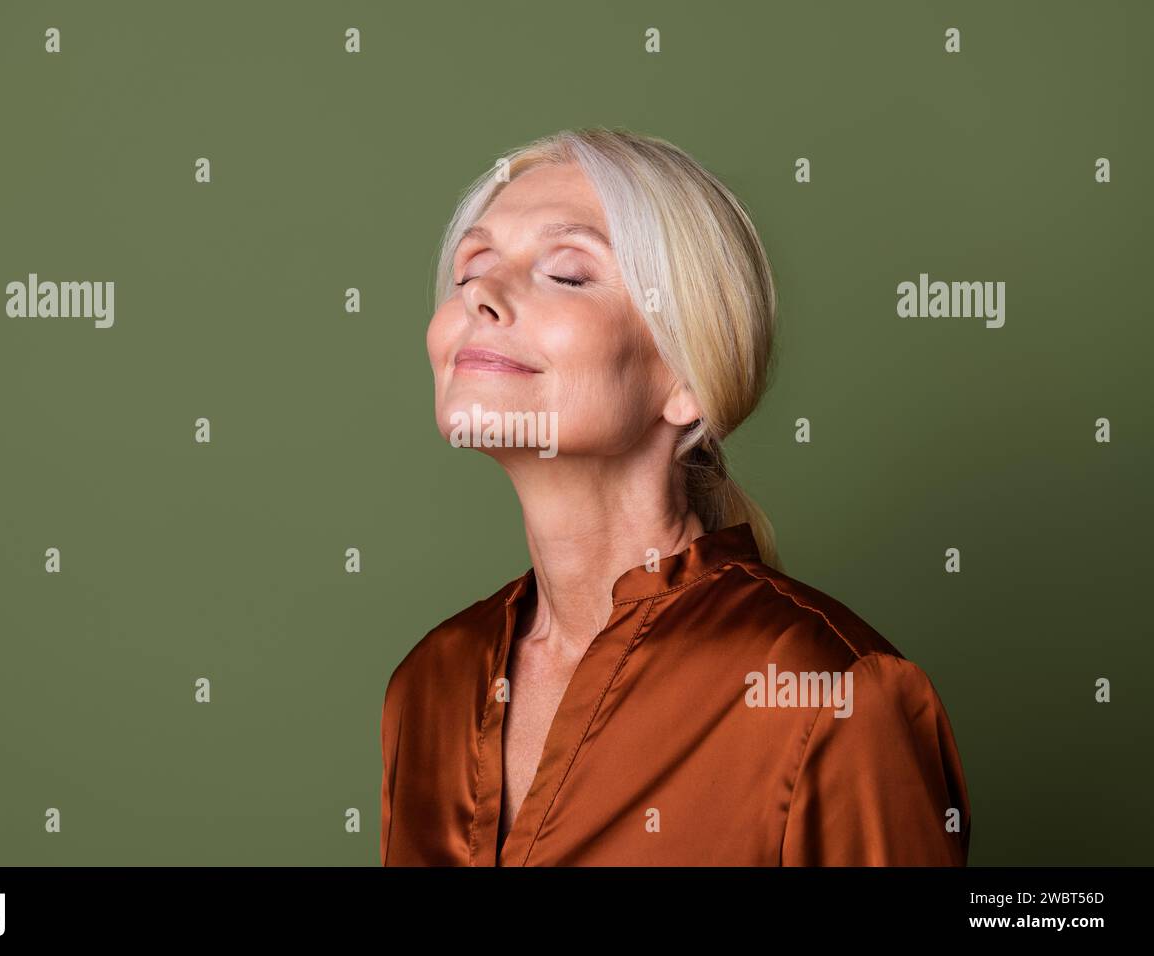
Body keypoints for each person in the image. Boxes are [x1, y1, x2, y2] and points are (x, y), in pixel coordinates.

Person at [380, 127, 971, 866]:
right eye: (471, 269)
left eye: (566, 273)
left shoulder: (835, 693)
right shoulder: (429, 684)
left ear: (689, 378)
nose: (482, 298)